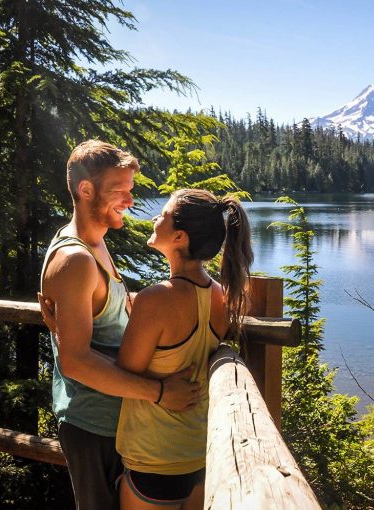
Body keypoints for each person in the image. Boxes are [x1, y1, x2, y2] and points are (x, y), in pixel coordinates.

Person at [39, 140, 200, 510]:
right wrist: (159, 391)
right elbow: (76, 362)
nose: (130, 200)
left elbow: (105, 315)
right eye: (119, 191)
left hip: (118, 424)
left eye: (130, 190)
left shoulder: (96, 242)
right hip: (93, 426)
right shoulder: (75, 258)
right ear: (85, 190)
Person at [115, 189, 253, 509]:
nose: (154, 218)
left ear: (178, 236)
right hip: (197, 456)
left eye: (162, 215)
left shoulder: (156, 299)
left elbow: (123, 374)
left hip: (154, 459)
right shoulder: (221, 295)